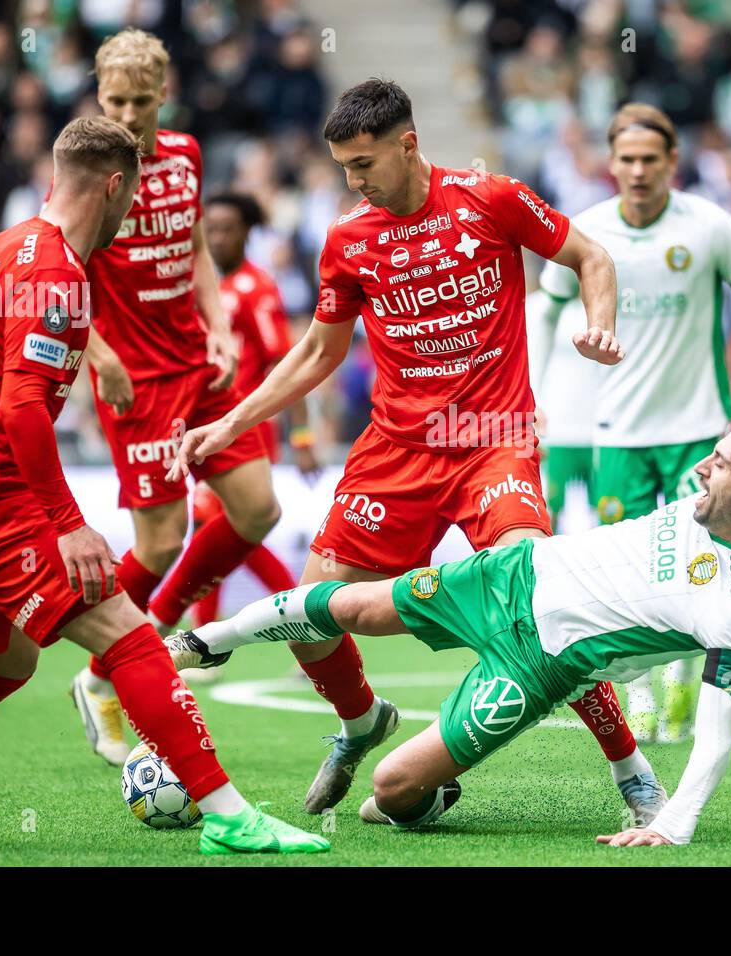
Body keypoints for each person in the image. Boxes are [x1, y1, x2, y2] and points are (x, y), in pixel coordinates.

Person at [166, 78, 663, 823]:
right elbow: (316, 354)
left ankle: (632, 771)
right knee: (308, 613)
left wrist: (600, 325)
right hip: (395, 453)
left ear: (408, 144)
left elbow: (592, 258)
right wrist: (233, 424)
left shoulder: (491, 198)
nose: (354, 182)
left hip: (493, 442)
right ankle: (363, 721)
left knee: (541, 601)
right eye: (343, 168)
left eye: (364, 164)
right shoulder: (347, 239)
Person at [0, 117, 327, 855]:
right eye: (133, 195)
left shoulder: (0, 251)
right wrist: (67, 521)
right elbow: (20, 406)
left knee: (7, 662)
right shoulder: (56, 271)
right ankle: (228, 815)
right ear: (115, 185)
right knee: (130, 638)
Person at [170, 327, 731, 844]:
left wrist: (673, 827)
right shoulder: (726, 495)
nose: (702, 467)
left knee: (388, 797)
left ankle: (435, 790)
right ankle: (205, 641)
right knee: (353, 605)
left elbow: (719, 733)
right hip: (512, 576)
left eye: (718, 465)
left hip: (535, 667)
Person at [530, 104, 731, 743]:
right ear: (610, 163)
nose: (638, 171)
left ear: (672, 162)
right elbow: (543, 308)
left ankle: (678, 686)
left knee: (698, 560)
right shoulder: (584, 231)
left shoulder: (709, 227)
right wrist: (530, 395)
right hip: (613, 432)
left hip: (699, 430)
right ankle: (641, 694)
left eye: (650, 159)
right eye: (627, 159)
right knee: (624, 573)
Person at [66, 30, 285, 765]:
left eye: (138, 100)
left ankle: (144, 641)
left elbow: (193, 249)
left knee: (258, 509)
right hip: (139, 381)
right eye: (113, 100)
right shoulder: (87, 173)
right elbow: (61, 277)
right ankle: (101, 671)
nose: (126, 114)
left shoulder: (187, 156)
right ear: (99, 97)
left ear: (164, 93)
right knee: (159, 541)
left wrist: (220, 329)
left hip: (197, 364)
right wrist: (100, 358)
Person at [184, 192, 321, 657]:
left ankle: (303, 626)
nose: (217, 238)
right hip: (212, 425)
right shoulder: (208, 288)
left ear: (246, 233)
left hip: (243, 427)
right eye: (211, 229)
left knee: (230, 532)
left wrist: (301, 436)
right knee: (217, 532)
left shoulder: (257, 289)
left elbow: (284, 363)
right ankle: (206, 644)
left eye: (227, 229)